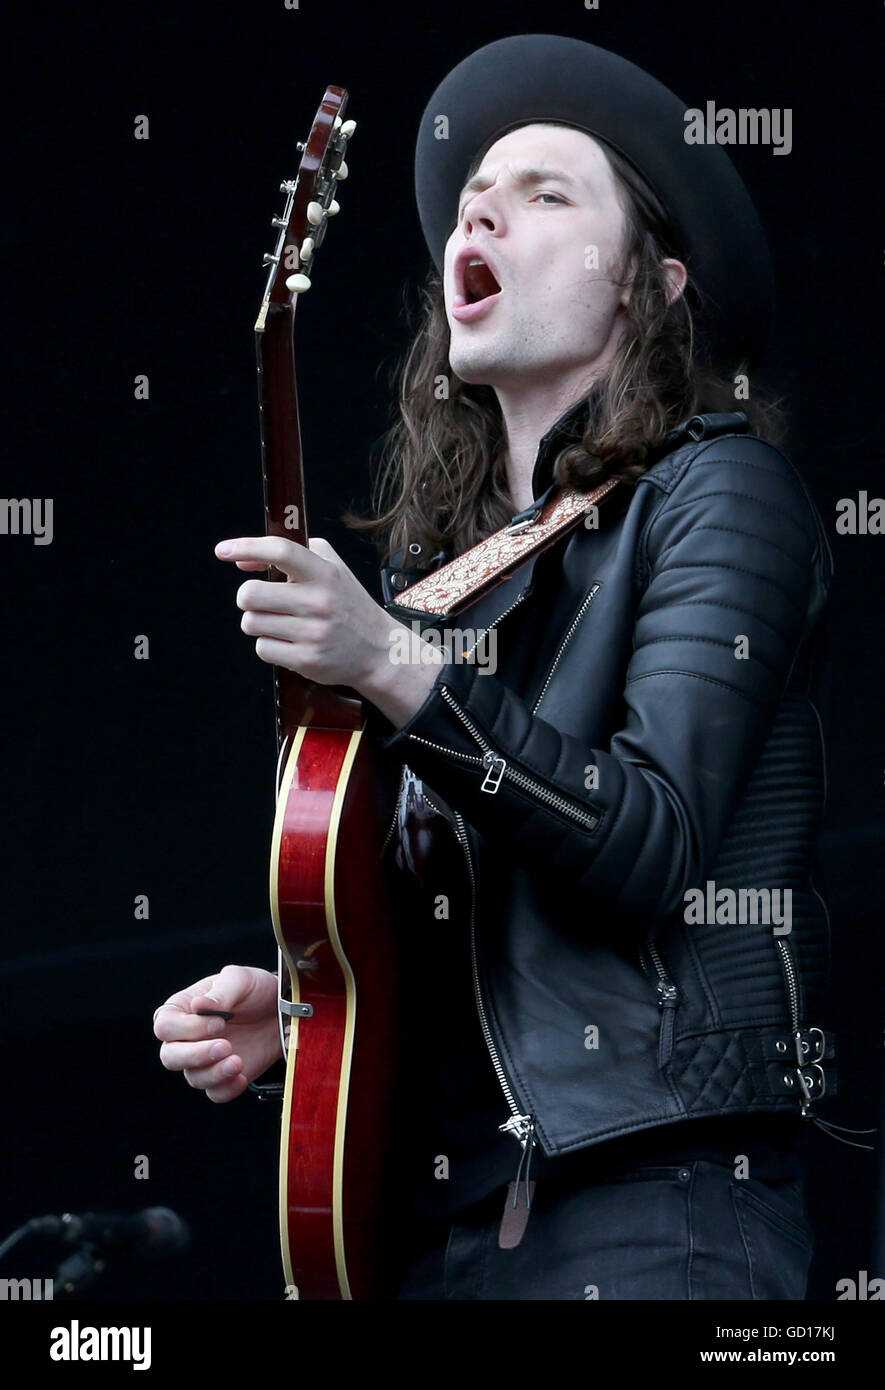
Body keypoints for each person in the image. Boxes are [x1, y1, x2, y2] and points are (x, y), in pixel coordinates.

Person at [154, 35, 837, 1299]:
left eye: (545, 196)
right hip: (454, 1223)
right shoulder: (451, 588)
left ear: (648, 282)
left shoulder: (721, 492)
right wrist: (315, 1015)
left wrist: (393, 665)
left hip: (657, 1204)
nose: (484, 210)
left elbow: (648, 840)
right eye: (477, 203)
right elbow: (482, 936)